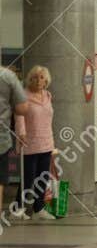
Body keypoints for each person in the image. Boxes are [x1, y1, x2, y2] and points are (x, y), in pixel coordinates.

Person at [15, 66, 56, 217]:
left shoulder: (48, 95)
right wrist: (21, 133)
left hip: (46, 141)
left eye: (41, 77)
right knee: (28, 178)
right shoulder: (23, 96)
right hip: (29, 142)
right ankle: (18, 207)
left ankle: (39, 208)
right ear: (29, 79)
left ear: (46, 80)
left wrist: (53, 140)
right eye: (34, 77)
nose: (38, 80)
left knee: (43, 177)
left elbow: (49, 119)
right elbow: (19, 116)